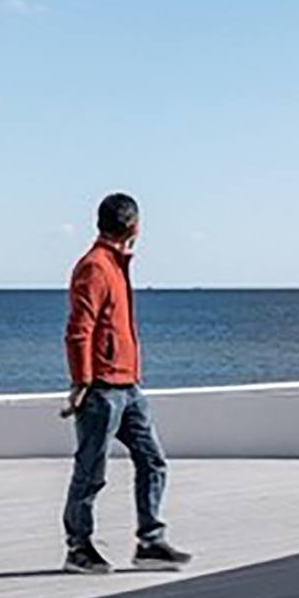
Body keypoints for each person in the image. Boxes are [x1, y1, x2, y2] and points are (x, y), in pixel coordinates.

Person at [61, 191, 191, 573]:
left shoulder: (115, 264)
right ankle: (78, 548)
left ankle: (150, 542)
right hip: (101, 388)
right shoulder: (96, 267)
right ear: (135, 226)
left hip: (129, 387)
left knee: (153, 460)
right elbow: (78, 330)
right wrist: (82, 381)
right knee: (91, 472)